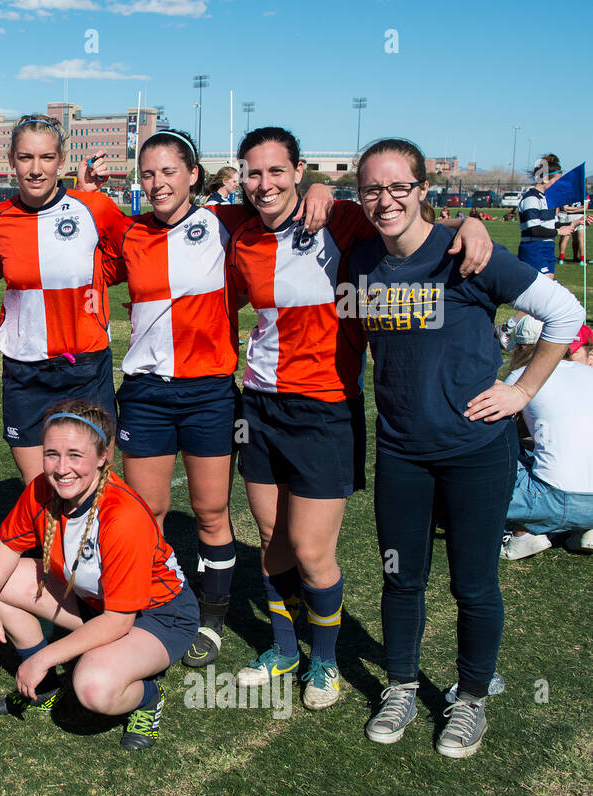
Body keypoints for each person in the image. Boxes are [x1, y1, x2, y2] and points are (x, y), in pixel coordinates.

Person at [224, 127, 494, 711]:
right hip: (260, 404)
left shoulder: (345, 221)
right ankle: (285, 647)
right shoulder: (239, 234)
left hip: (324, 407)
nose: (263, 183)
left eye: (277, 171)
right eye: (252, 173)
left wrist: (470, 224)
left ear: (298, 172)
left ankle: (325, 663)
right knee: (272, 539)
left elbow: (409, 224)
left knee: (312, 549)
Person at [349, 137, 584, 757]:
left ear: (423, 190)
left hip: (475, 450)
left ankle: (471, 697)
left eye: (400, 186)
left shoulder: (464, 251)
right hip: (401, 450)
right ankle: (401, 685)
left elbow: (566, 312)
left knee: (473, 584)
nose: (386, 199)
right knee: (401, 580)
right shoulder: (361, 260)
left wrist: (521, 390)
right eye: (372, 188)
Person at [94, 129, 334, 668]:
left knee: (209, 512)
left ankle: (211, 619)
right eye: (148, 174)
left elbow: (285, 203)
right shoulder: (131, 234)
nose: (157, 184)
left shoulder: (227, 226)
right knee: (147, 513)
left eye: (168, 172)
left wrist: (319, 186)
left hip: (208, 394)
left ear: (193, 175)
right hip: (147, 394)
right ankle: (152, 609)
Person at [0, 400, 196, 751]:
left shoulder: (122, 516)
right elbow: (5, 545)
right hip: (97, 603)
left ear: (103, 456)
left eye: (75, 455)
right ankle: (43, 688)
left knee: (92, 685)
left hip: (156, 617)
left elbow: (119, 622)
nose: (62, 468)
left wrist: (43, 659)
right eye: (52, 454)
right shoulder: (42, 490)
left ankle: (148, 696)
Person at [0, 114, 128, 484]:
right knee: (41, 490)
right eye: (26, 158)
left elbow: (128, 258)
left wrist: (93, 288)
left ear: (60, 161)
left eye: (46, 158)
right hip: (24, 369)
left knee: (91, 486)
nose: (35, 169)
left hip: (85, 368)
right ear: (11, 161)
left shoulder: (94, 208)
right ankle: (45, 545)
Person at [498, 317, 593, 558]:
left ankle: (524, 534)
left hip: (553, 499)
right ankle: (585, 529)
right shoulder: (586, 372)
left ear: (521, 348)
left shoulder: (520, 376)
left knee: (493, 458)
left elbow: (497, 433)